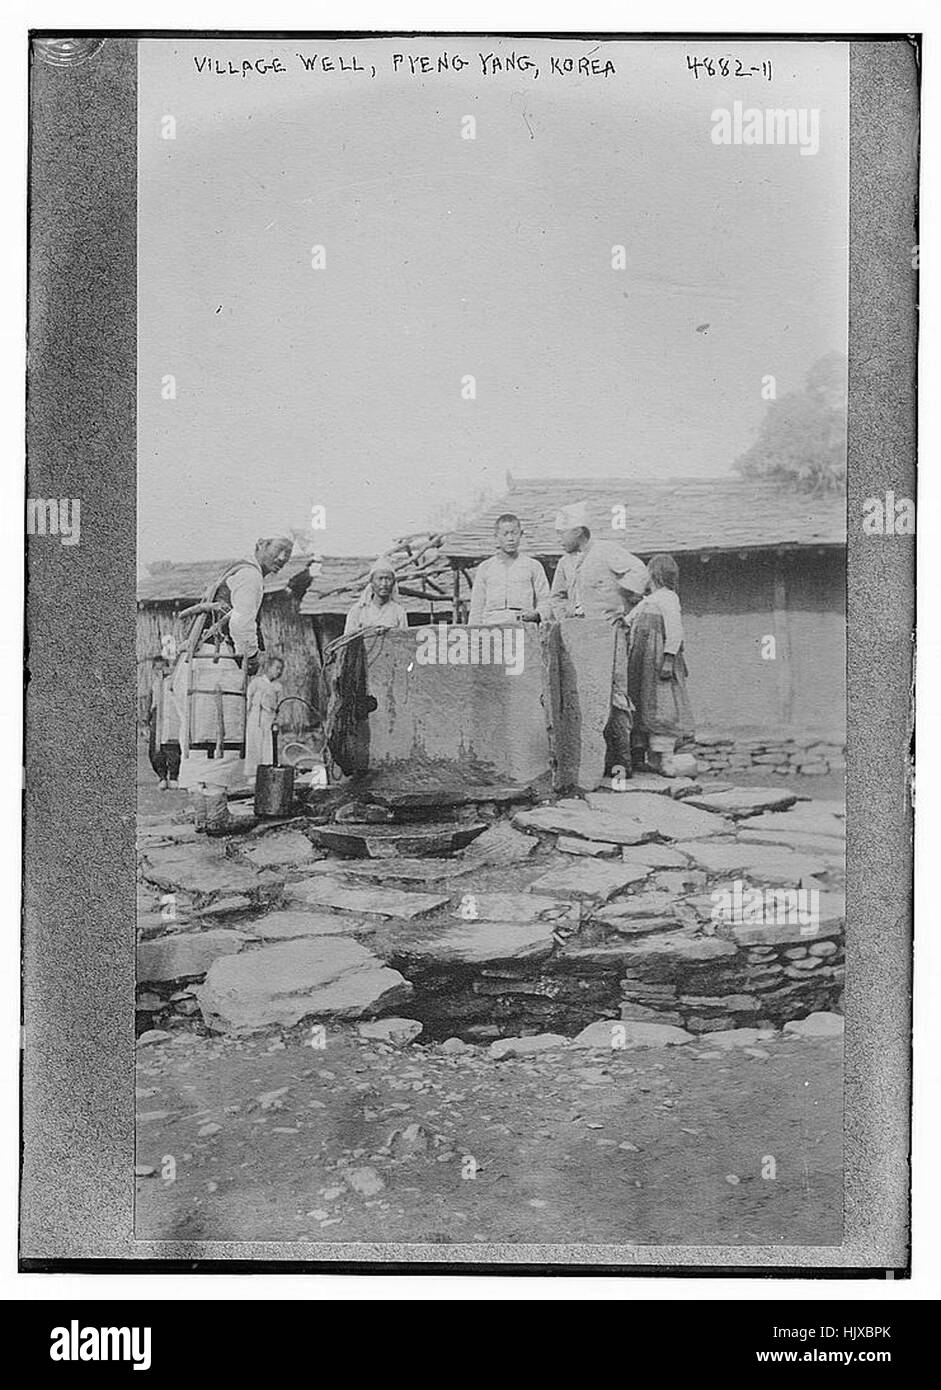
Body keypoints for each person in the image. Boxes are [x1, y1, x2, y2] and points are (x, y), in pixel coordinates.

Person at [172, 535, 294, 834]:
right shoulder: (250, 576)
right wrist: (250, 655)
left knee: (200, 740)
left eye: (288, 553)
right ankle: (216, 817)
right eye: (279, 550)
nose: (283, 558)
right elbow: (240, 622)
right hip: (217, 662)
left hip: (196, 663)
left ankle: (202, 814)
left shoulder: (233, 571)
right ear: (260, 545)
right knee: (219, 736)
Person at [553, 502, 648, 776]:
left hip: (609, 634)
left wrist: (623, 609)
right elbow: (556, 597)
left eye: (562, 533)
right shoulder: (564, 563)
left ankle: (621, 761)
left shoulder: (607, 551)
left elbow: (639, 572)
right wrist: (565, 617)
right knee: (583, 696)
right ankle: (589, 763)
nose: (559, 539)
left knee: (616, 693)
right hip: (578, 637)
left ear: (579, 531)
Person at [625, 553, 694, 777]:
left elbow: (675, 630)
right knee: (640, 707)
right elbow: (626, 622)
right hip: (640, 665)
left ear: (654, 575)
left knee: (662, 708)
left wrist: (668, 659)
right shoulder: (647, 601)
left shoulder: (668, 598)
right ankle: (640, 758)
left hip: (658, 663)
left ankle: (665, 760)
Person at [468, 514, 551, 625]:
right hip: (492, 626)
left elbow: (545, 600)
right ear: (496, 536)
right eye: (505, 534)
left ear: (521, 534)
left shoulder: (533, 566)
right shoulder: (485, 568)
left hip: (523, 625)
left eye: (514, 533)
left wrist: (537, 614)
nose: (510, 538)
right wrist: (473, 633)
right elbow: (477, 606)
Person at [245, 655, 285, 781]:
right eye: (276, 668)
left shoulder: (277, 686)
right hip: (255, 717)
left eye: (280, 669)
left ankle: (267, 772)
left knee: (268, 745)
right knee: (254, 744)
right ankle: (253, 774)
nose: (278, 671)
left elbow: (279, 705)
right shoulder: (256, 682)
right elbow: (248, 698)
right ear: (268, 667)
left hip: (269, 718)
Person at [343, 557, 409, 633]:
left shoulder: (398, 611)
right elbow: (347, 639)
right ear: (372, 582)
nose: (384, 584)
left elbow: (404, 639)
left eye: (388, 579)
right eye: (380, 579)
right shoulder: (358, 610)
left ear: (393, 583)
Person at [147, 655, 180, 789]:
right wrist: (147, 720)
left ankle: (173, 776)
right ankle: (161, 776)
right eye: (157, 669)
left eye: (163, 668)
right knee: (156, 749)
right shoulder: (154, 684)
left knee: (172, 747)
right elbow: (150, 703)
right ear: (154, 670)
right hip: (157, 717)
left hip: (171, 716)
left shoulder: (173, 683)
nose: (160, 671)